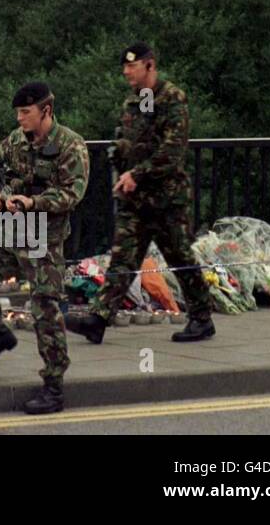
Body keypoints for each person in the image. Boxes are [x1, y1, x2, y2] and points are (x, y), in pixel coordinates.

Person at [65, 42, 215, 345]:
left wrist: (138, 173)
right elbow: (129, 140)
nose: (125, 72)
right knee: (123, 258)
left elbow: (172, 151)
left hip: (166, 199)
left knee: (180, 256)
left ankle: (202, 318)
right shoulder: (133, 102)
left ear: (149, 65)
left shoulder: (172, 99)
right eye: (125, 66)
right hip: (135, 199)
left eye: (131, 66)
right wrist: (119, 156)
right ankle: (98, 318)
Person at [0, 81, 89, 415]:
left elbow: (73, 193)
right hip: (11, 233)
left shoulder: (71, 145)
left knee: (44, 309)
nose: (20, 119)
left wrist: (32, 202)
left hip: (44, 240)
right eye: (17, 112)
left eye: (26, 112)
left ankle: (54, 387)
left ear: (46, 110)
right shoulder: (15, 141)